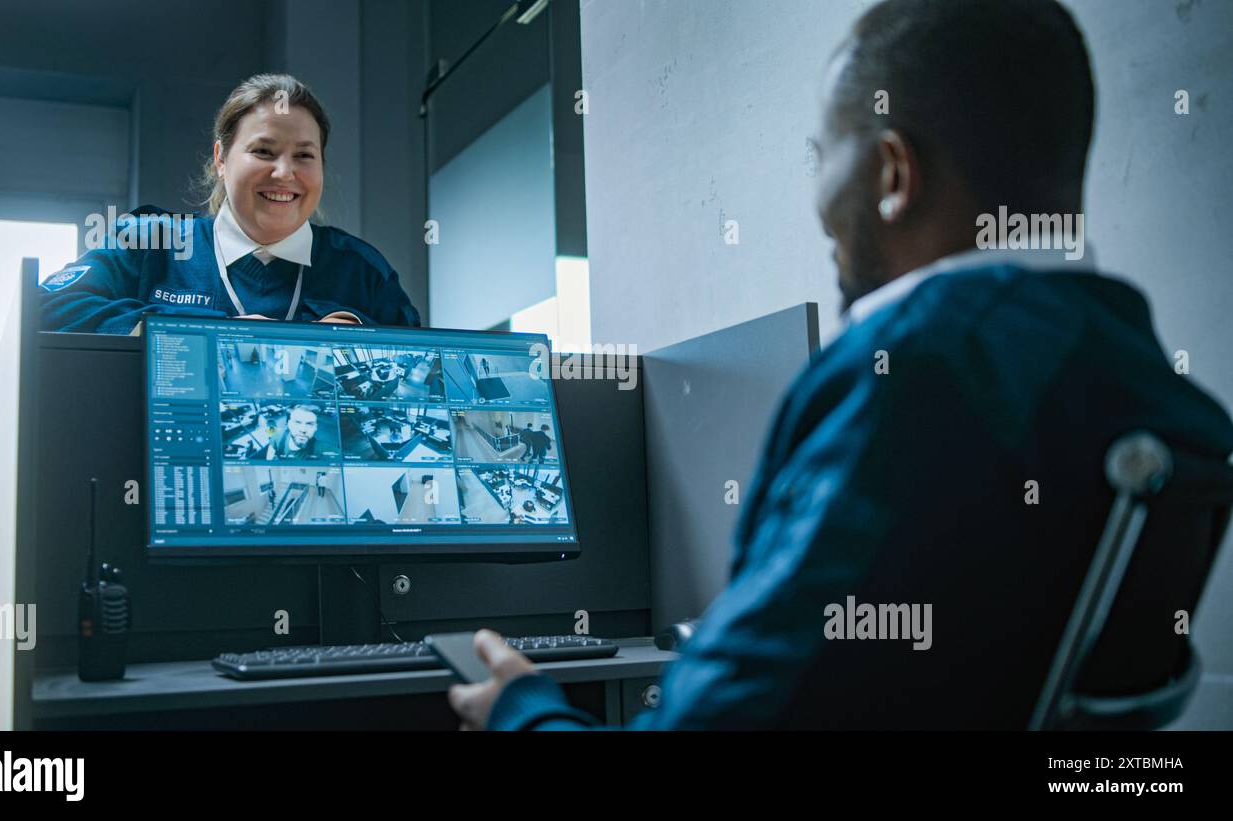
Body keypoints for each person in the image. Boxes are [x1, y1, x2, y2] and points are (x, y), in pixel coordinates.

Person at [447, 0, 1233, 730]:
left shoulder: (915, 375)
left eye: (824, 155)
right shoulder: (1159, 398)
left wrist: (527, 709)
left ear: (893, 175)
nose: (820, 200)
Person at [38, 74, 421, 334]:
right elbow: (50, 308)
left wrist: (359, 344)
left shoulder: (362, 271)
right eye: (264, 151)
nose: (285, 173)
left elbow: (429, 372)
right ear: (221, 158)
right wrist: (204, 330)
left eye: (305, 155)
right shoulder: (148, 242)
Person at [265, 405, 330, 461]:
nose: (303, 430)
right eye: (297, 423)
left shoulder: (322, 450)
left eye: (309, 424)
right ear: (289, 424)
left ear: (316, 427)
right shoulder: (278, 437)